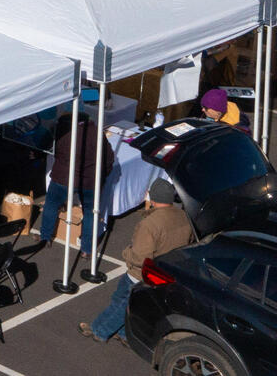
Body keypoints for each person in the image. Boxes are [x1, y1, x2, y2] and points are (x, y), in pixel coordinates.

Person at [81, 179, 195, 343]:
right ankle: (124, 334)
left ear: (153, 198)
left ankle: (99, 330)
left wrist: (126, 252)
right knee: (131, 305)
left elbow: (140, 257)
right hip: (167, 273)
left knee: (121, 302)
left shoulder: (149, 224)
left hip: (142, 274)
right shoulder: (184, 216)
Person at [35, 99, 116, 252]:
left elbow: (48, 146)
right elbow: (109, 158)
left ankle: (45, 237)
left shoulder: (62, 130)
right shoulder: (97, 133)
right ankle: (86, 249)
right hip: (90, 181)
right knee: (90, 212)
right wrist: (101, 177)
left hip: (63, 177)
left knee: (52, 203)